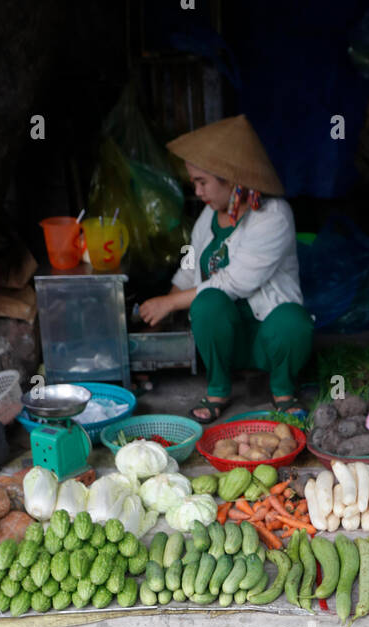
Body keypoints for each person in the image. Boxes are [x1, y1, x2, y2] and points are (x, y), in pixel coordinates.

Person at [138, 114, 313, 423]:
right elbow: (189, 268)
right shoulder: (208, 217)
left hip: (267, 338)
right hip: (226, 339)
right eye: (194, 183)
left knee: (293, 320)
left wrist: (169, 303)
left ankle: (283, 391)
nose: (197, 191)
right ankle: (218, 389)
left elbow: (235, 282)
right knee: (207, 304)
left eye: (202, 182)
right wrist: (157, 321)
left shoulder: (273, 216)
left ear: (232, 179)